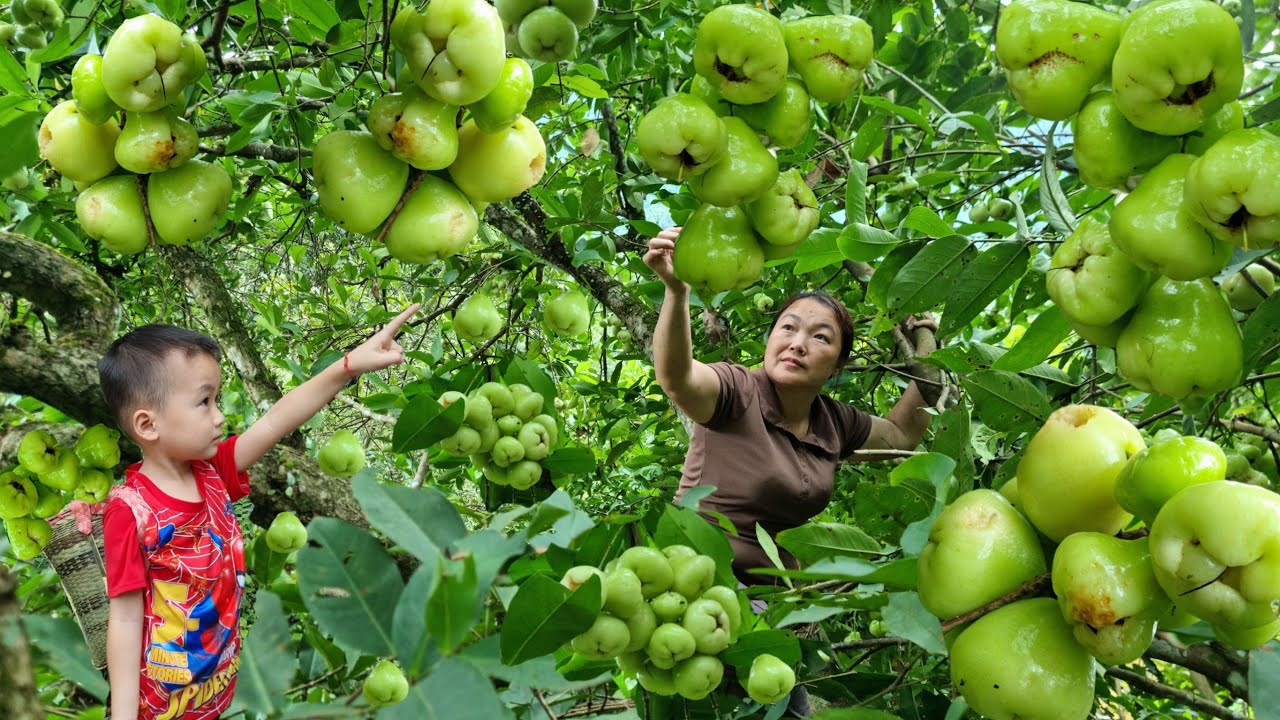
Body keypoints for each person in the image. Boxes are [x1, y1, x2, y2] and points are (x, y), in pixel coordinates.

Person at [645, 227, 936, 715]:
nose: (798, 343)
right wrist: (676, 291)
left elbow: (903, 436)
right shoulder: (738, 390)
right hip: (694, 591)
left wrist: (926, 347)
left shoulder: (834, 421)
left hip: (772, 608)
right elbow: (677, 377)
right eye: (788, 328)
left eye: (820, 337)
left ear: (837, 365)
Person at [99, 304, 418, 720]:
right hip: (157, 708)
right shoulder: (131, 511)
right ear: (148, 425)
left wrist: (348, 366)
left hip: (212, 692)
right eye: (204, 402)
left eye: (216, 399)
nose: (219, 416)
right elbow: (125, 620)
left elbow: (275, 422)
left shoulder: (212, 473)